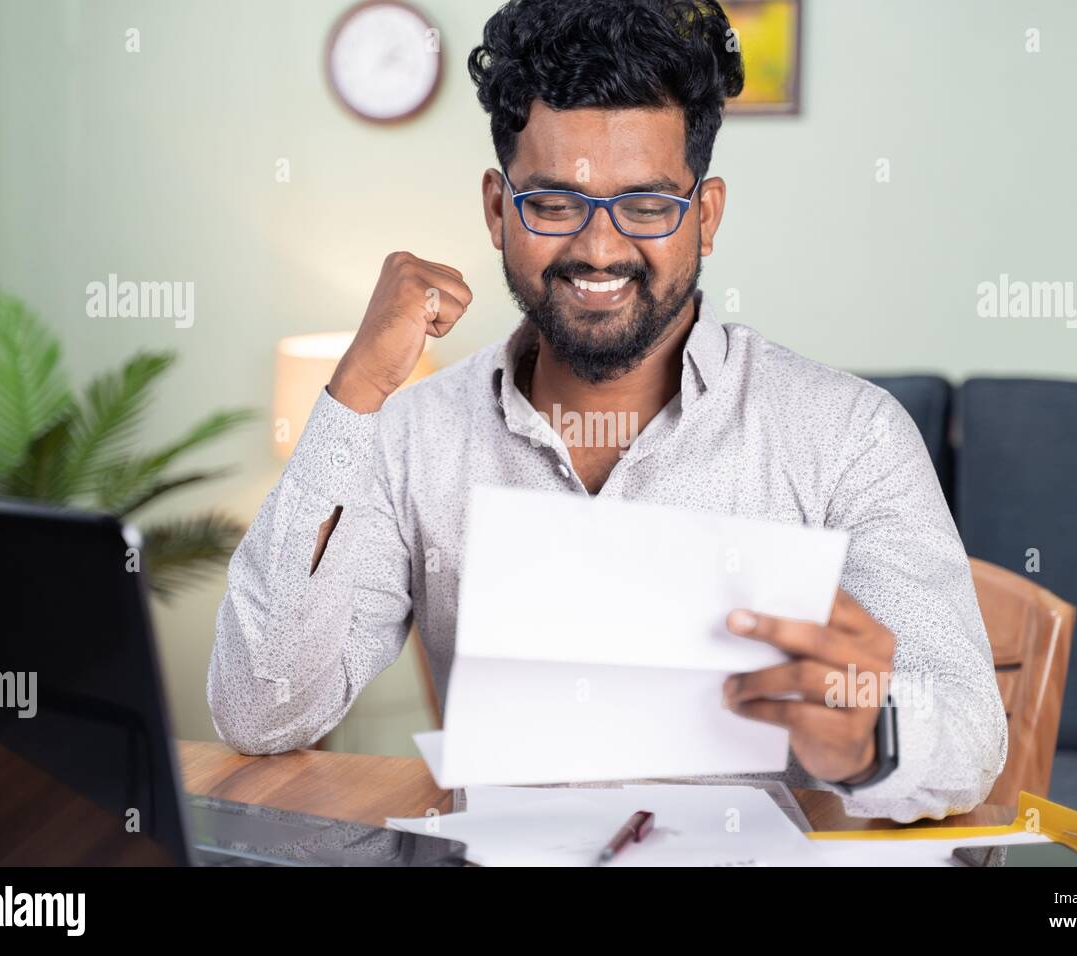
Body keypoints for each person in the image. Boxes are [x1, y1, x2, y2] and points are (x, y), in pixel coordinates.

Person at [208, 0, 1007, 823]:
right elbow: (260, 712)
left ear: (706, 214)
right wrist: (353, 395)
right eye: (554, 202)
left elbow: (971, 738)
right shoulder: (413, 434)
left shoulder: (848, 436)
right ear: (496, 208)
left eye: (649, 205)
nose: (599, 248)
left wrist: (869, 738)